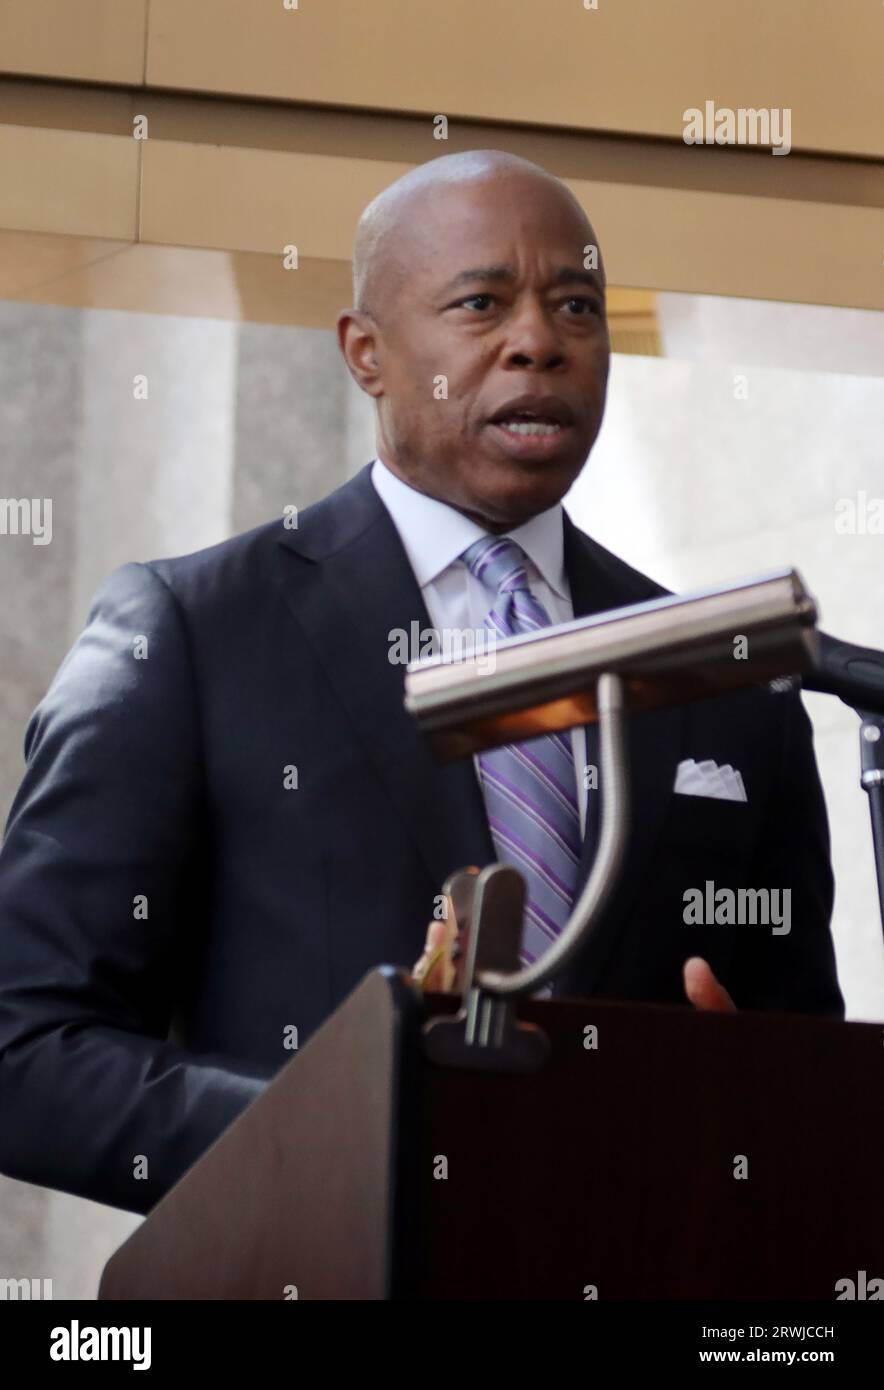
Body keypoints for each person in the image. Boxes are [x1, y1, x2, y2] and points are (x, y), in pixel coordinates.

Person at [0, 151, 842, 1216]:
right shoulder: (192, 634)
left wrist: (753, 1117)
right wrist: (353, 1134)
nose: (537, 340)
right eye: (480, 302)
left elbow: (807, 1074)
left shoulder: (725, 673)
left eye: (575, 305)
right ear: (367, 353)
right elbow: (24, 1049)